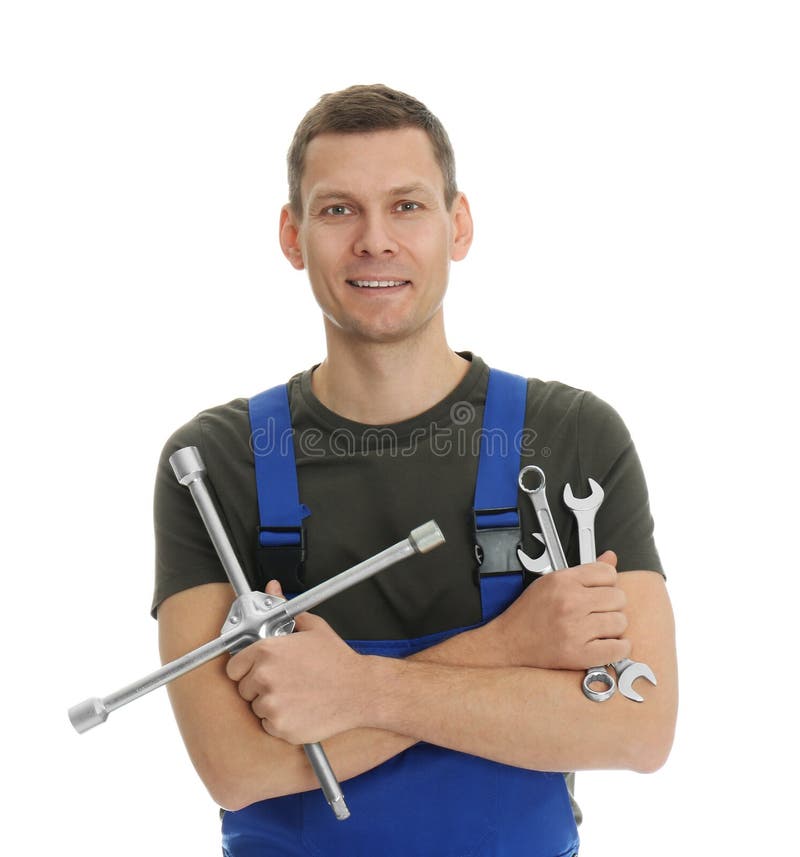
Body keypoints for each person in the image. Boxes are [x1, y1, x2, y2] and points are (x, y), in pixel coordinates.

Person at [153, 84, 677, 857]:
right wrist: (511, 650)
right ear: (292, 235)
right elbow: (236, 768)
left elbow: (637, 727)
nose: (374, 240)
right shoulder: (216, 461)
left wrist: (348, 692)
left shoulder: (570, 437)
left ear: (457, 225)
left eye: (406, 205)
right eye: (338, 210)